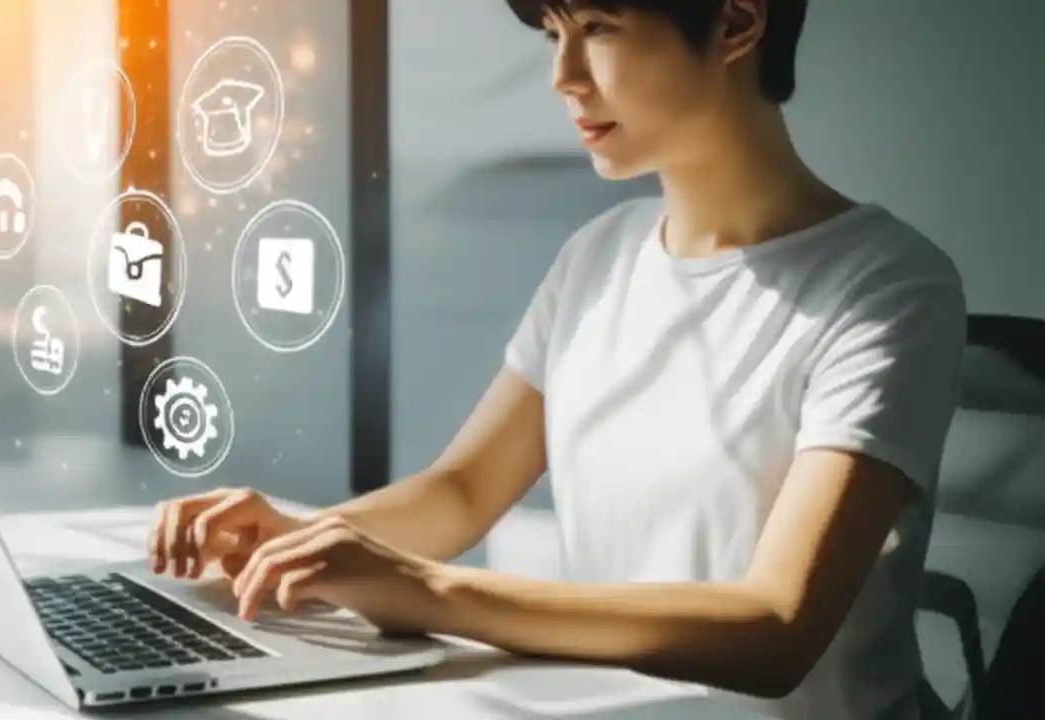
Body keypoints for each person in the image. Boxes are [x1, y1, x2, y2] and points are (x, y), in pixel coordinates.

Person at [146, 1, 967, 718]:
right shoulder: (598, 257)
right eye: (552, 32)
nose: (565, 76)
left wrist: (435, 593)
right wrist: (297, 540)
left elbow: (775, 629)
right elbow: (462, 491)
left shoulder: (888, 285)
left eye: (600, 27)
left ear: (737, 21)